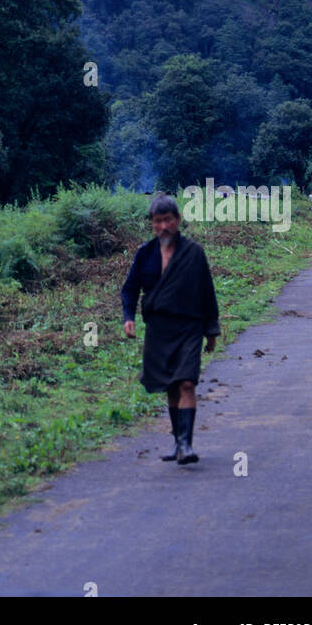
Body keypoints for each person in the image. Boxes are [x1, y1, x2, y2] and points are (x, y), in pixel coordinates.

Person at [121, 194, 220, 464]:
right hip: (158, 329)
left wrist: (211, 330)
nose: (163, 226)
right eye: (157, 221)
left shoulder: (194, 253)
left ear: (177, 220)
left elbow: (206, 293)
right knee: (171, 387)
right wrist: (128, 317)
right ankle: (177, 442)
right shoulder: (145, 254)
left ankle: (186, 446)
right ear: (152, 224)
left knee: (187, 382)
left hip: (189, 325)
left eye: (168, 220)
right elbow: (130, 289)